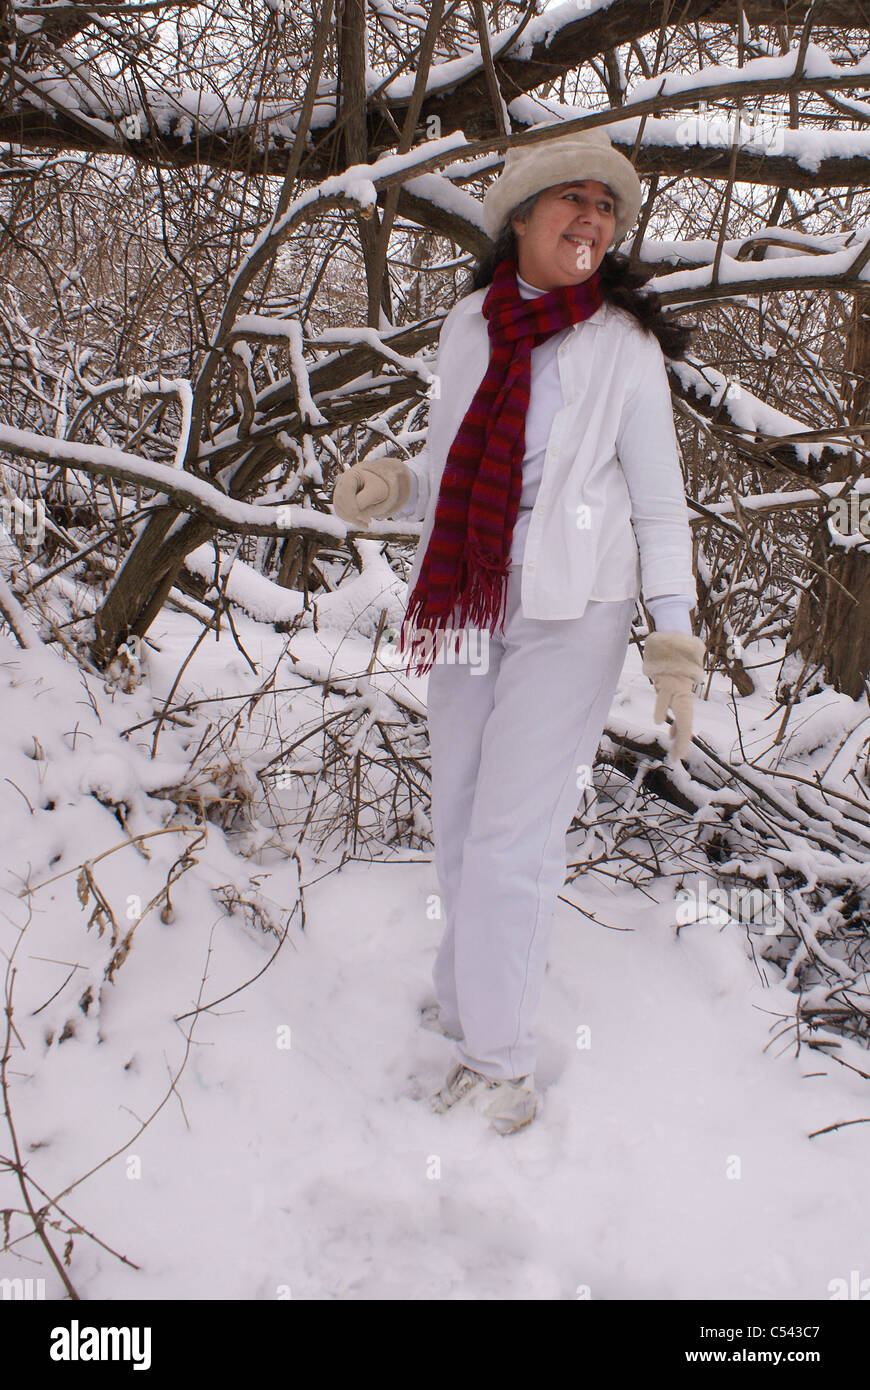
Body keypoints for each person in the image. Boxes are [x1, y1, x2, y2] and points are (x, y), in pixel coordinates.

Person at [332, 121, 706, 1136]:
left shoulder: (621, 347)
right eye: (572, 200)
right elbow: (453, 461)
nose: (592, 218)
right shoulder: (470, 326)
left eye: (606, 207)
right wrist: (397, 484)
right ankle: (469, 1011)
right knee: (458, 815)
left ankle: (499, 1067)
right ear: (522, 221)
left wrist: (672, 643)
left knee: (510, 838)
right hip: (467, 587)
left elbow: (662, 507)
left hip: (569, 606)